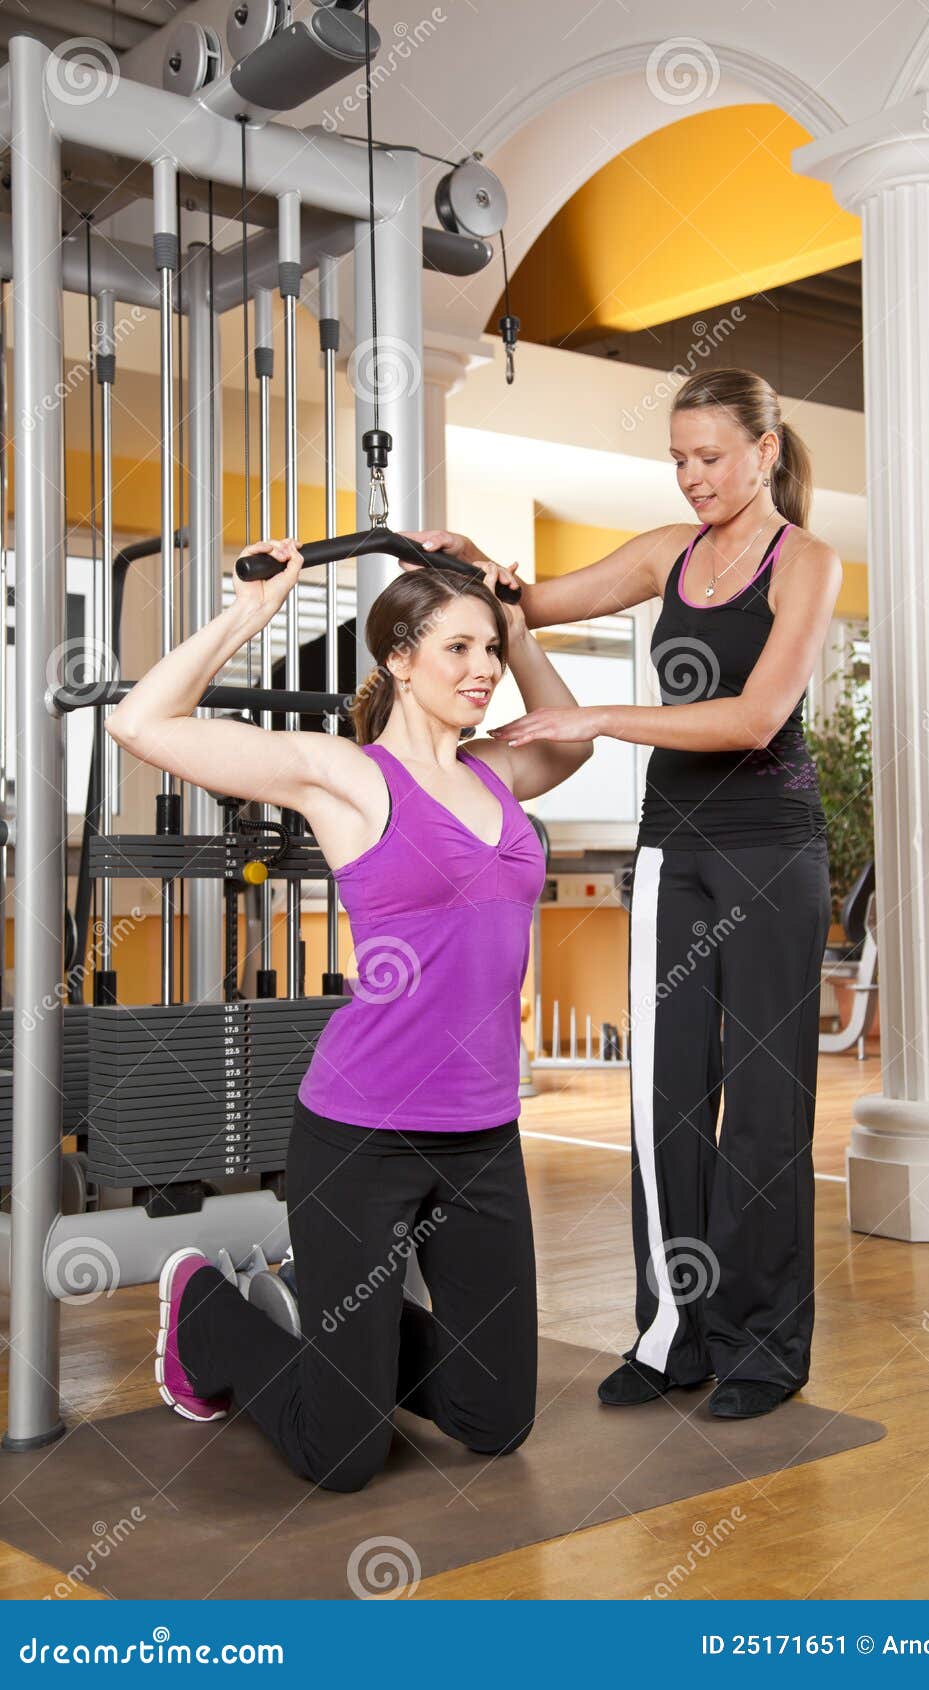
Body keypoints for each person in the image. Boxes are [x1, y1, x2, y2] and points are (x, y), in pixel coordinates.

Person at [401, 367, 842, 1420]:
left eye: (709, 458)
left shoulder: (805, 563)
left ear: (763, 451)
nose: (690, 478)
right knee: (663, 1099)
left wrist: (593, 719)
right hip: (671, 847)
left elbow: (751, 718)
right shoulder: (664, 554)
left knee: (764, 1110)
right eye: (677, 459)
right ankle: (673, 1333)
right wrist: (466, 576)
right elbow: (530, 607)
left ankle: (762, 1347)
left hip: (772, 848)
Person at [106, 545, 593, 1491]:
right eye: (457, 649)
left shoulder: (498, 773)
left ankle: (337, 1323)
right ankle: (205, 1308)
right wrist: (250, 612)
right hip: (361, 1130)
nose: (483, 671)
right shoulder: (343, 776)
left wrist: (519, 624)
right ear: (400, 661)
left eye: (488, 651)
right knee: (343, 1458)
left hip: (483, 1135)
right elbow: (140, 721)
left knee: (495, 1425)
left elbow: (569, 741)